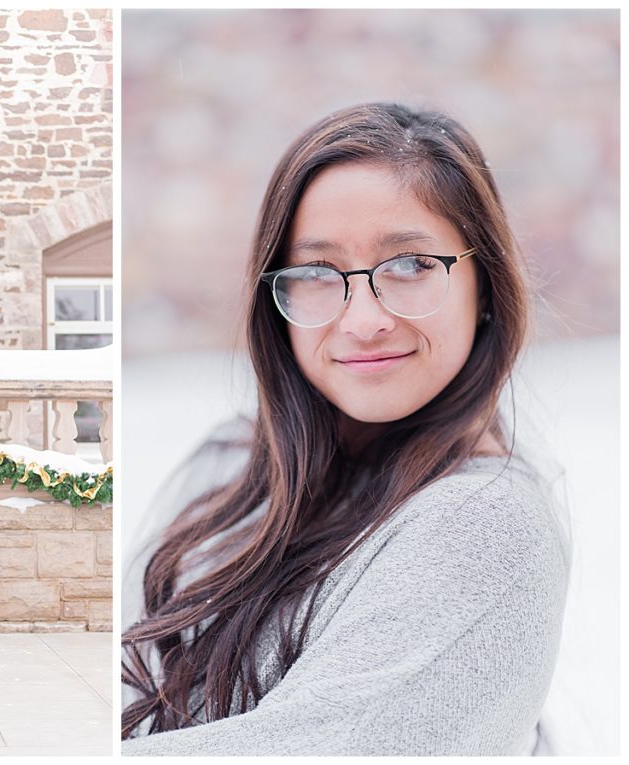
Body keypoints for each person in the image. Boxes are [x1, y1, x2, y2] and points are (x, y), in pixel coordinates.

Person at [121, 103, 570, 755]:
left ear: (487, 285)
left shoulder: (486, 522)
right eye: (315, 274)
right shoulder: (234, 462)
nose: (362, 319)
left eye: (412, 264)